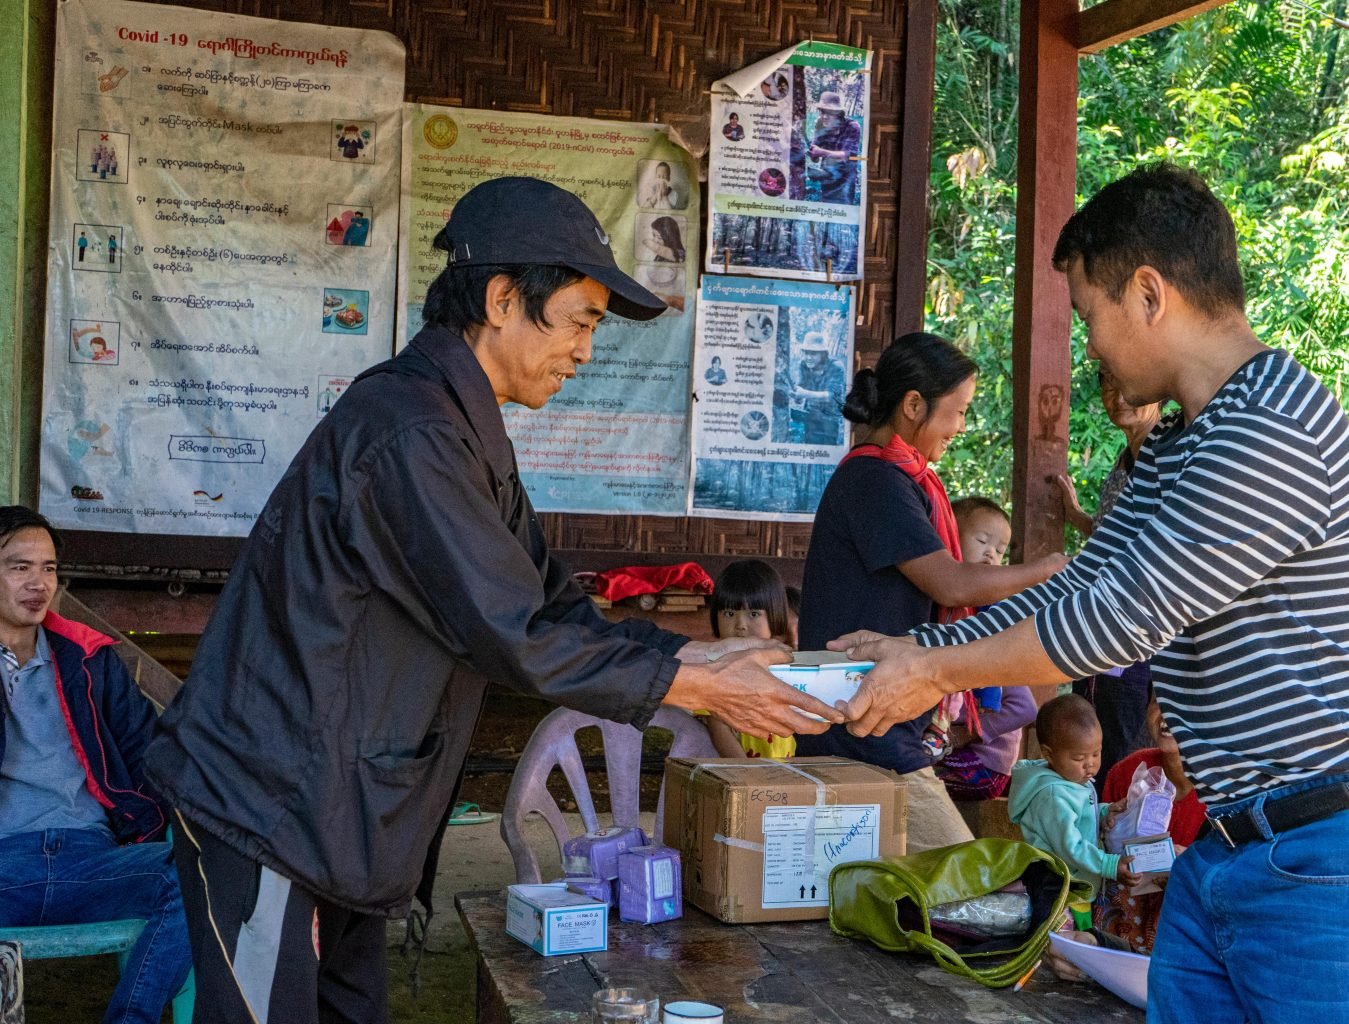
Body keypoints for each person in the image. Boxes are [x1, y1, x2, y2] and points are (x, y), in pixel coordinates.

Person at [144, 177, 841, 1022]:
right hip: (271, 805)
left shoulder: (465, 428)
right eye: (580, 322)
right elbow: (514, 635)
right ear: (504, 299)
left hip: (341, 815)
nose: (586, 351)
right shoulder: (412, 431)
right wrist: (700, 690)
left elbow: (552, 605)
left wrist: (701, 654)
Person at [833, 165, 1349, 1022]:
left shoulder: (1271, 424)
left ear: (1147, 293)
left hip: (1343, 843)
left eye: (1090, 313)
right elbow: (1089, 585)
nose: (1089, 342)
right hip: (1241, 839)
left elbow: (1114, 622)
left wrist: (929, 675)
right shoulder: (1175, 447)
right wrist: (919, 651)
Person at [796, 332, 1065, 852]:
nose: (961, 426)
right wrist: (1046, 570)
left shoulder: (904, 478)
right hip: (861, 717)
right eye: (957, 411)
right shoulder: (875, 477)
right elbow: (952, 580)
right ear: (913, 405)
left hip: (876, 714)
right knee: (962, 882)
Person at [0, 507, 191, 1024]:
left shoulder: (88, 659)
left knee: (206, 875)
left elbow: (148, 753)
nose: (38, 583)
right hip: (4, 866)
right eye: (20, 567)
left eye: (48, 568)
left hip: (92, 862)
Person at [1054, 370, 1164, 787]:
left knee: (1124, 754)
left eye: (1128, 387)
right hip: (1104, 633)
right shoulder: (1127, 459)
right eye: (1107, 387)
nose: (1117, 398)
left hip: (1143, 639)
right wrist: (1078, 516)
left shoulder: (1166, 459)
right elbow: (1117, 538)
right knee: (1093, 744)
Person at [933, 497, 1037, 801]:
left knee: (912, 775)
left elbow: (1024, 707)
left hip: (985, 762)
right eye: (982, 541)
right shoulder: (951, 615)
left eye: (1000, 550)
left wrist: (964, 734)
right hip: (948, 745)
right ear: (949, 539)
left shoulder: (995, 624)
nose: (991, 553)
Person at [1092, 692, 1208, 955]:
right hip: (1123, 923)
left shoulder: (1224, 789)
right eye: (1159, 698)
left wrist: (1191, 862)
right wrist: (1105, 825)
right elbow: (1095, 853)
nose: (1167, 709)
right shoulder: (1128, 772)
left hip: (1189, 925)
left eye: (1184, 698)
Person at [1008, 694, 1139, 907]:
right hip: (1059, 891)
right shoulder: (1051, 796)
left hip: (1077, 886)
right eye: (1079, 758)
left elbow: (1079, 816)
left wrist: (1104, 812)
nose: (1090, 764)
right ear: (1049, 754)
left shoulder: (1072, 778)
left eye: (1096, 754)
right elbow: (1070, 845)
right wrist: (1109, 864)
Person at [703, 560, 798, 759]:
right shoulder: (717, 668)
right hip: (741, 773)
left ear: (775, 617)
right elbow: (718, 727)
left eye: (753, 614)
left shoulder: (785, 664)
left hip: (785, 771)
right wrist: (747, 772)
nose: (740, 625)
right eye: (729, 614)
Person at [806, 91, 861, 205]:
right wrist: (812, 153)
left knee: (843, 210)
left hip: (845, 179)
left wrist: (821, 152)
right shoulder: (820, 123)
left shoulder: (852, 126)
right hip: (827, 176)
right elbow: (815, 158)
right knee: (826, 208)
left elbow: (847, 156)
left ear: (838, 113)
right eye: (822, 112)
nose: (824, 116)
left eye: (829, 113)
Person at [790, 337, 846, 445]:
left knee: (828, 449)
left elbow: (830, 396)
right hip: (810, 414)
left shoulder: (836, 366)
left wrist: (804, 393)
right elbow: (800, 394)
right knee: (811, 447)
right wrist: (796, 396)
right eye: (806, 353)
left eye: (813, 354)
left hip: (830, 417)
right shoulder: (803, 365)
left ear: (823, 354)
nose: (808, 357)